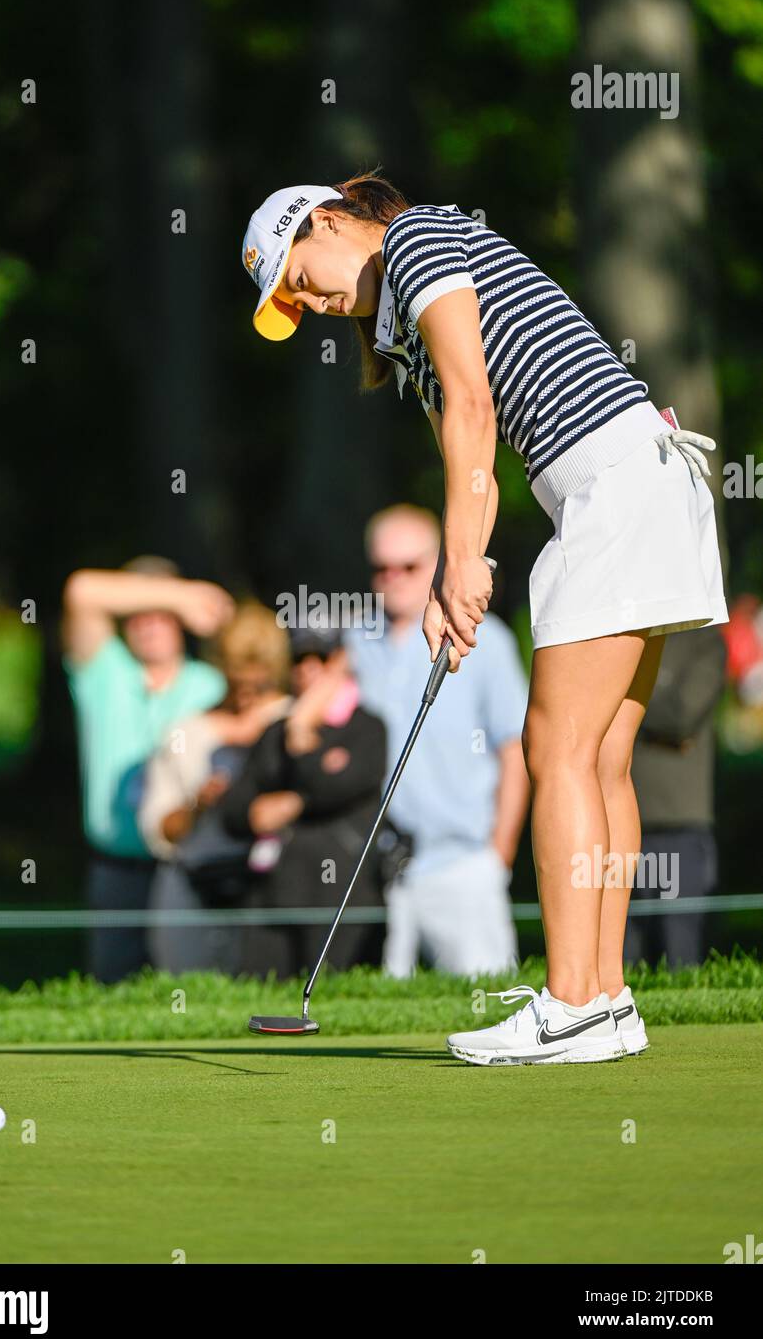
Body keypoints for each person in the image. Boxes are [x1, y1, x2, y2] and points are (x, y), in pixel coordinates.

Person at [241, 170, 728, 1065]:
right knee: (602, 756)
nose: (304, 301)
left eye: (297, 274)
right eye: (288, 302)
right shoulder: (401, 337)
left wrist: (466, 561)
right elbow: (462, 453)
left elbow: (477, 406)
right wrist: (445, 580)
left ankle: (572, 1000)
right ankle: (609, 1000)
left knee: (555, 751)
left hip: (615, 487)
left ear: (328, 219)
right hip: (642, 484)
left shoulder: (417, 238)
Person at [347, 502, 529, 977]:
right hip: (375, 866)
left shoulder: (490, 642)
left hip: (463, 860)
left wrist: (499, 853)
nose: (393, 578)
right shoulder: (354, 642)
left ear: (437, 564)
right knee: (380, 1012)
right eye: (381, 568)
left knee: (483, 998)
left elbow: (515, 751)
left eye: (408, 566)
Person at [61, 556, 233, 982]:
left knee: (194, 988)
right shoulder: (105, 669)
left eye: (162, 616)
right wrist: (180, 593)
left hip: (187, 866)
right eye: (137, 615)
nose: (149, 625)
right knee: (114, 989)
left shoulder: (212, 683)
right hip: (117, 866)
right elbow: (80, 591)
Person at [218, 622, 387, 980]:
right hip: (274, 896)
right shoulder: (273, 732)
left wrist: (302, 733)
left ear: (340, 663)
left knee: (335, 1000)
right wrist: (255, 812)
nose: (307, 668)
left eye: (321, 658)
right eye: (299, 659)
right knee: (260, 1003)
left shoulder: (368, 728)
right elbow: (233, 809)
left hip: (343, 899)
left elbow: (336, 789)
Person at [138, 601, 292, 973]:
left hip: (276, 891)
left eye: (260, 682)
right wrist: (200, 804)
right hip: (196, 890)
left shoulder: (297, 724)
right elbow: (159, 830)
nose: (247, 695)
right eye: (237, 680)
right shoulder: (185, 733)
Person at [624, 625, 726, 967]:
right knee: (621, 956)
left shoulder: (706, 641)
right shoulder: (633, 633)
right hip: (625, 823)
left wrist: (623, 704)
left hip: (681, 829)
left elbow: (682, 716)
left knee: (679, 952)